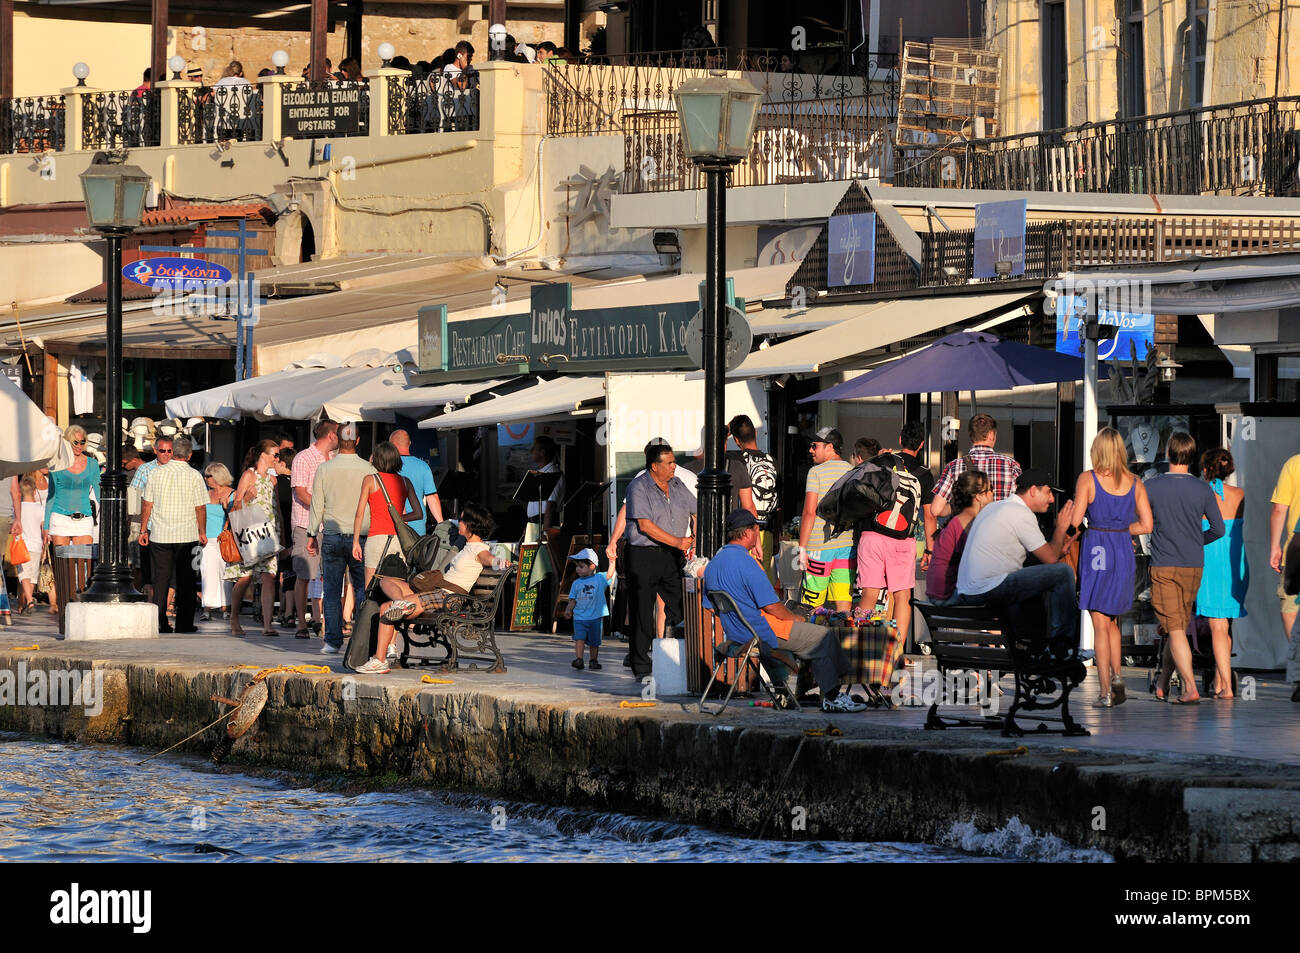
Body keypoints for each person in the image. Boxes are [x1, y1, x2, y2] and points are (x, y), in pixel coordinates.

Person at [703, 509, 866, 712]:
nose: (757, 534)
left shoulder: (712, 565)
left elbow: (711, 608)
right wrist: (793, 618)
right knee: (823, 637)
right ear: (746, 534)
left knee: (810, 637)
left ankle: (791, 693)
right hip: (764, 631)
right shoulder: (748, 563)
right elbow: (771, 606)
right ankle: (832, 696)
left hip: (737, 635)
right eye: (756, 529)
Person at [1069, 427, 1153, 707]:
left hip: (1096, 550)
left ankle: (1105, 691)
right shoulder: (1135, 482)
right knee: (1114, 620)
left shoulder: (1088, 479)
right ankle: (1118, 676)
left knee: (1099, 623)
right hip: (1122, 550)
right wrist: (1123, 530)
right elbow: (1147, 525)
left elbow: (1076, 518)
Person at [361, 503, 497, 674]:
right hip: (437, 591)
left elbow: (489, 558)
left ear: (470, 524)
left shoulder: (479, 549)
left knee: (386, 608)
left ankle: (379, 660)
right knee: (386, 581)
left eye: (462, 519)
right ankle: (401, 603)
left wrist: (499, 562)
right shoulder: (467, 545)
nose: (459, 522)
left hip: (447, 597)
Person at [956, 468, 1077, 649]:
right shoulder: (1020, 512)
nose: (1052, 499)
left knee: (1042, 582)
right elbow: (1051, 559)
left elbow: (1041, 556)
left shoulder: (995, 507)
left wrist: (1057, 552)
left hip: (969, 590)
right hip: (988, 588)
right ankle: (1062, 647)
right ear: (1033, 490)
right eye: (1049, 492)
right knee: (1064, 572)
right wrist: (1060, 528)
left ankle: (1035, 646)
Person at [1146, 432, 1225, 704]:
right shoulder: (1204, 489)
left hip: (1164, 563)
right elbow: (1219, 529)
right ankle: (1163, 682)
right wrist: (1195, 540)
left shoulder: (1152, 487)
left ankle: (1190, 687)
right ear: (1192, 456)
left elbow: (1140, 521)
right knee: (1176, 624)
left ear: (1168, 453)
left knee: (1175, 628)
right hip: (1193, 565)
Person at [855, 423, 935, 654]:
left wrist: (881, 457)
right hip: (904, 542)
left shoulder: (885, 460)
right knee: (902, 596)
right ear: (921, 444)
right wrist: (929, 549)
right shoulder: (925, 473)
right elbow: (929, 515)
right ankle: (896, 653)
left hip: (873, 535)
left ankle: (862, 648)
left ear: (900, 439)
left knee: (870, 592)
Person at [623, 441, 696, 680]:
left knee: (683, 605)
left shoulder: (677, 483)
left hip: (672, 555)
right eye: (670, 462)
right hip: (644, 554)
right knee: (643, 611)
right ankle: (641, 666)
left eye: (674, 461)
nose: (675, 466)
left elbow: (696, 510)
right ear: (655, 466)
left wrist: (694, 535)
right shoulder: (638, 486)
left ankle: (678, 657)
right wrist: (678, 541)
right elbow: (645, 526)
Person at [307, 422, 375, 655]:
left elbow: (317, 504)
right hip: (363, 537)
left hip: (333, 536)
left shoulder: (325, 469)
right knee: (362, 589)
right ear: (357, 441)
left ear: (337, 439)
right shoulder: (369, 469)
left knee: (333, 591)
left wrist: (311, 533)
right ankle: (364, 638)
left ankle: (332, 641)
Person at [139, 435, 207, 634]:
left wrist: (144, 529)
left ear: (172, 452)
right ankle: (185, 623)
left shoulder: (155, 473)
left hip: (160, 534)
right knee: (186, 580)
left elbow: (147, 503)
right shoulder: (195, 475)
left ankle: (160, 623)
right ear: (189, 455)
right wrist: (202, 531)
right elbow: (200, 507)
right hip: (187, 534)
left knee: (160, 580)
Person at [1196, 448, 1248, 699]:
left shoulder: (1201, 494)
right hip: (1236, 561)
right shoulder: (1240, 495)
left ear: (1206, 468)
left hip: (1211, 562)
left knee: (1217, 626)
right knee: (1225, 627)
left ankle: (1226, 686)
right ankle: (1219, 681)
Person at [226, 440, 282, 638]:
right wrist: (247, 498)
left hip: (269, 531)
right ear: (263, 455)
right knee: (245, 578)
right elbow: (235, 507)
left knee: (269, 577)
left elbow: (277, 508)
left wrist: (280, 531)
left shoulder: (273, 480)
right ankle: (234, 617)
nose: (278, 459)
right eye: (275, 455)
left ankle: (267, 624)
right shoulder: (249, 475)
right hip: (250, 530)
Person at [352, 440, 421, 591]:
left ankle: (373, 614)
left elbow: (359, 514)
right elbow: (418, 513)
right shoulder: (405, 481)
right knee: (397, 588)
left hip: (376, 539)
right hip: (399, 540)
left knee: (371, 588)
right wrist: (399, 519)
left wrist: (356, 541)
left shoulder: (371, 480)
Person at [291, 420, 338, 637]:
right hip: (306, 523)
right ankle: (302, 624)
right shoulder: (303, 457)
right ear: (330, 436)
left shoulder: (334, 459)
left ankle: (326, 623)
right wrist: (325, 509)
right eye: (338, 433)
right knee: (304, 574)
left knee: (330, 576)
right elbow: (300, 493)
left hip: (330, 525)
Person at [798, 427, 853, 611]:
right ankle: (845, 639)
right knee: (843, 601)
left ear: (829, 447)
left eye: (815, 446)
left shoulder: (816, 472)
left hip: (819, 548)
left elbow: (809, 512)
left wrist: (802, 547)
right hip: (847, 546)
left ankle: (814, 639)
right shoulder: (852, 471)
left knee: (812, 605)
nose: (810, 450)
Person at [930, 413, 1022, 520]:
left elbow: (936, 510)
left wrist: (960, 506)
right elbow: (1021, 504)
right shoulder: (1011, 465)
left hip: (969, 534)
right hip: (1002, 531)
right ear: (991, 434)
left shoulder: (954, 466)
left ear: (971, 435)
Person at [925, 469, 992, 604]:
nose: (993, 493)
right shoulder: (966, 522)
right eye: (990, 489)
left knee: (881, 600)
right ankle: (877, 624)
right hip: (946, 596)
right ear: (978, 496)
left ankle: (876, 624)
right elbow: (929, 515)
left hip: (884, 551)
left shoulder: (959, 520)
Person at [727, 415, 778, 571]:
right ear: (755, 433)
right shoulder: (772, 461)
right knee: (764, 579)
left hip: (744, 533)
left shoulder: (734, 460)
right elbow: (777, 503)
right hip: (767, 531)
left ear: (736, 440)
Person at [1268, 449, 1300, 701]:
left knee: (1289, 607)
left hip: (1296, 549)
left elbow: (1280, 510)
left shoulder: (1294, 464)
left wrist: (1275, 546)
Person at [131, 434, 173, 600]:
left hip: (172, 525)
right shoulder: (145, 469)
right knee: (146, 566)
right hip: (150, 524)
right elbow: (134, 497)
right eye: (162, 450)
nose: (166, 454)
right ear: (156, 450)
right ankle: (150, 602)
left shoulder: (179, 470)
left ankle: (165, 604)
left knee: (168, 567)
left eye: (169, 451)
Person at [45, 425, 100, 550]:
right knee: (62, 566)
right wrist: (46, 527)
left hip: (84, 519)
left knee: (83, 565)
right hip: (59, 519)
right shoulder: (56, 463)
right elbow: (51, 495)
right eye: (75, 442)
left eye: (82, 442)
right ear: (67, 441)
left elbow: (99, 493)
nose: (79, 445)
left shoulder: (92, 464)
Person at [560, 548, 615, 670]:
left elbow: (610, 574)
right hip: (579, 617)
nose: (577, 569)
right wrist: (569, 610)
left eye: (581, 566)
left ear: (592, 566)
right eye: (577, 566)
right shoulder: (576, 583)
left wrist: (612, 561)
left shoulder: (599, 579)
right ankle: (579, 659)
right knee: (579, 638)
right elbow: (572, 599)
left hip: (595, 617)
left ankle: (593, 660)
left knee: (594, 642)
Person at [10, 469, 50, 615]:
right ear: (35, 492)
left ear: (20, 492)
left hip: (23, 546)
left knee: (23, 575)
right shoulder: (41, 509)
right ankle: (29, 600)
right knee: (33, 576)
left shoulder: (18, 509)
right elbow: (44, 528)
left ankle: (30, 601)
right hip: (37, 547)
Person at [390, 428, 442, 536]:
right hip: (417, 526)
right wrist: (441, 523)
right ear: (409, 443)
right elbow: (432, 497)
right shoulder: (423, 466)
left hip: (392, 524)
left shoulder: (388, 466)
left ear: (391, 445)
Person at [200, 462, 234, 622]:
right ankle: (207, 607)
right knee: (207, 572)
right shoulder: (205, 494)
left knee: (225, 573)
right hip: (207, 538)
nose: (206, 478)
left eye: (209, 476)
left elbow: (236, 517)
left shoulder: (231, 494)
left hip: (225, 539)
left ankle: (226, 607)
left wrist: (227, 507)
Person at [274, 446, 298, 629]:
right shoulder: (297, 482)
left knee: (286, 572)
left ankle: (287, 612)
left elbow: (279, 511)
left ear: (282, 463)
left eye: (277, 461)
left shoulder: (277, 483)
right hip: (298, 529)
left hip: (283, 531)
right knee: (293, 573)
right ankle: (286, 610)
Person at [527, 435, 563, 533]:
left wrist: (545, 533)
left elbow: (551, 505)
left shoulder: (552, 473)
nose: (531, 451)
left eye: (534, 449)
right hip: (534, 524)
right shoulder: (541, 472)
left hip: (544, 523)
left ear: (542, 452)